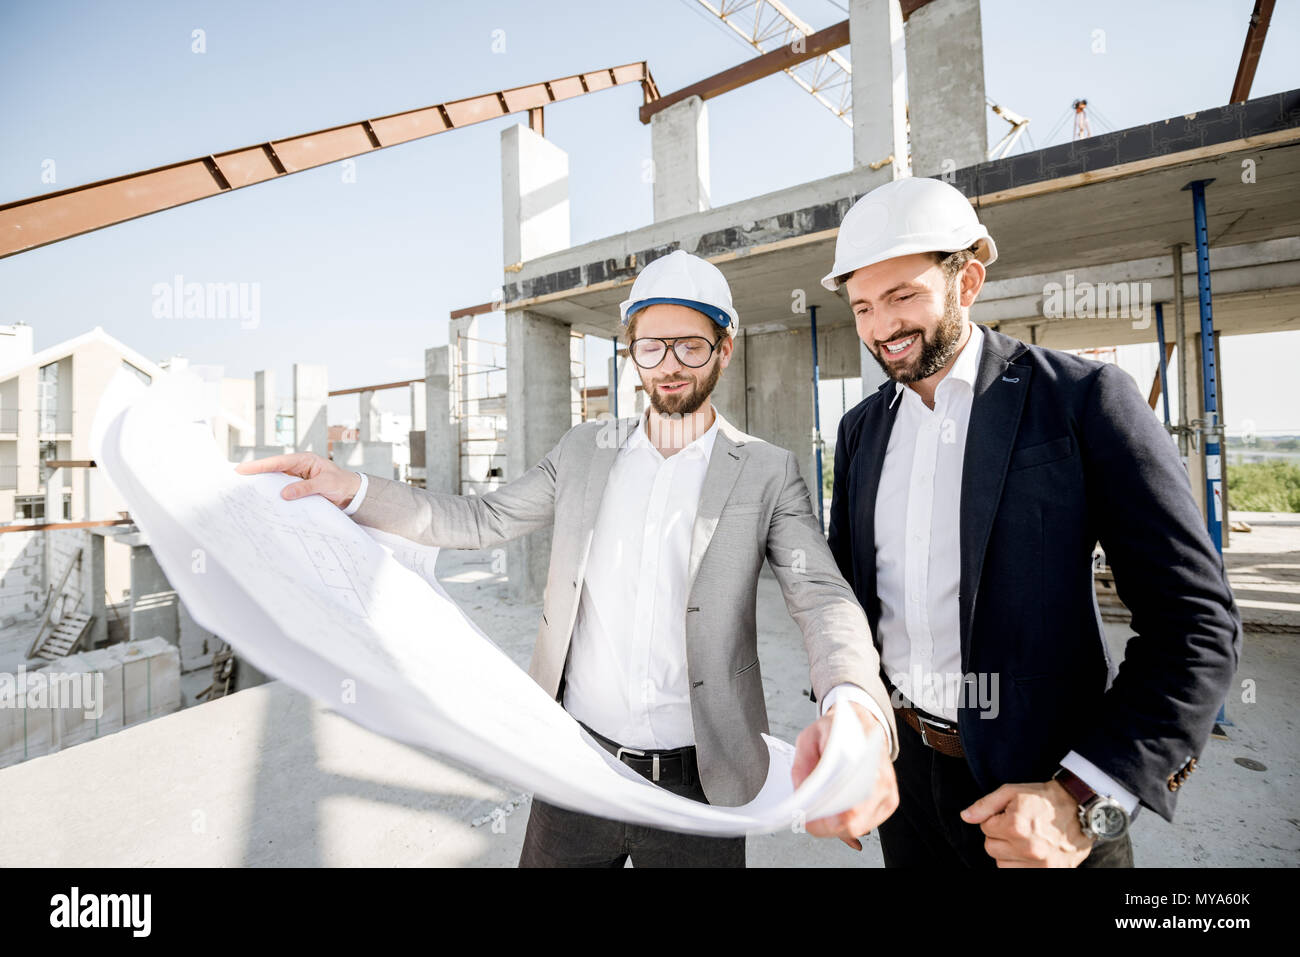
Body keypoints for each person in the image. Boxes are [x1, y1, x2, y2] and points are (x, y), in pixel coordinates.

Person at [238, 249, 899, 867]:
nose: (670, 364)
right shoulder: (583, 451)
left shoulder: (765, 470)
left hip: (702, 785)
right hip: (574, 766)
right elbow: (480, 518)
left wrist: (855, 701)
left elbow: (821, 595)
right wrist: (351, 488)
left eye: (691, 345)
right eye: (651, 345)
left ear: (724, 350)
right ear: (630, 353)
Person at [821, 176, 1241, 868]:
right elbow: (849, 610)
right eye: (862, 306)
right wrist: (849, 729)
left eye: (903, 296)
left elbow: (1195, 625)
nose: (880, 328)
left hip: (1044, 804)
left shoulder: (1079, 400)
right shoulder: (861, 431)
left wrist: (1085, 801)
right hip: (908, 795)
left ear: (969, 280)